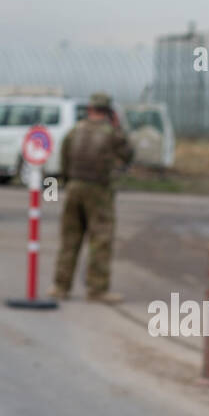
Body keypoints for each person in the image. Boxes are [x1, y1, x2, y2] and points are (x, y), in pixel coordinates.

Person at [48, 91, 132, 302]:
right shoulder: (111, 133)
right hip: (99, 190)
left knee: (70, 239)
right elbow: (128, 154)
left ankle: (60, 286)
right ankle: (97, 289)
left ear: (89, 109)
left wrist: (69, 182)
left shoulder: (74, 131)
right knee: (100, 240)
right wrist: (117, 127)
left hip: (74, 187)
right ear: (108, 112)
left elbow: (64, 159)